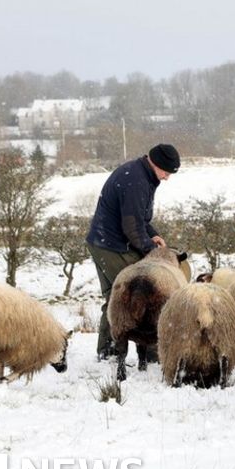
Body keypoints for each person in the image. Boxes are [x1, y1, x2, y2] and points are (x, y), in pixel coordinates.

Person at [86, 143, 180, 360]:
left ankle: (112, 349)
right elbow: (131, 227)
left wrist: (153, 234)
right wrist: (152, 251)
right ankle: (136, 351)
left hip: (110, 241)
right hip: (109, 244)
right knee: (127, 294)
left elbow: (140, 220)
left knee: (118, 295)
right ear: (156, 164)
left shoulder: (143, 175)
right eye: (166, 172)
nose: (167, 178)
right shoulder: (136, 181)